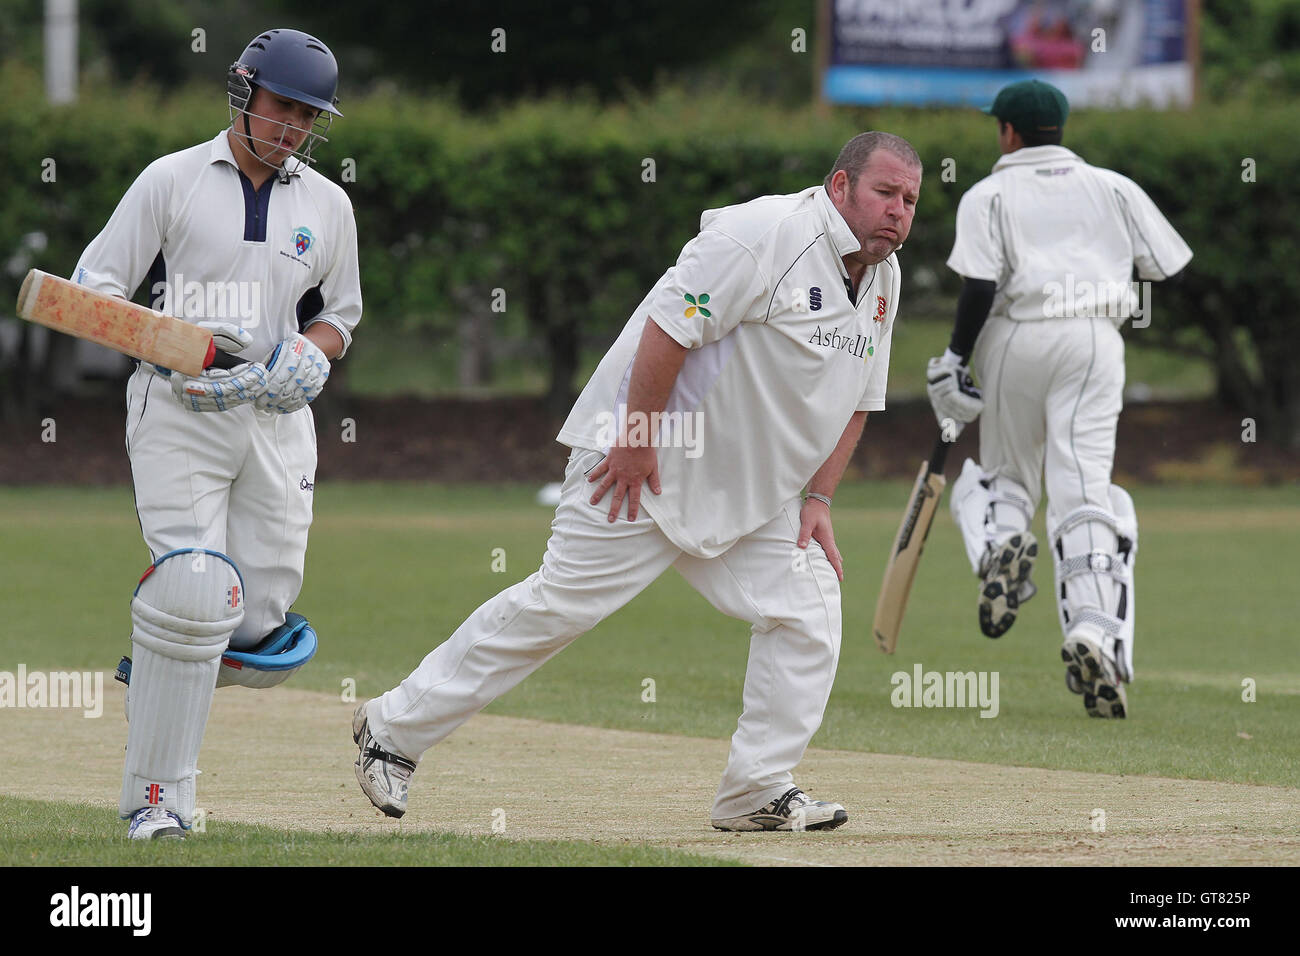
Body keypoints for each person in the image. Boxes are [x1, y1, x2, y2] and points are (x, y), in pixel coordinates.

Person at [352, 131, 921, 832]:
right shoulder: (762, 234)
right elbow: (670, 326)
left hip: (749, 492)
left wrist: (821, 498)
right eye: (885, 192)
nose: (898, 211)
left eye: (911, 200)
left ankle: (755, 791)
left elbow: (859, 398)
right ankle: (391, 728)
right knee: (559, 607)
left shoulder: (884, 282)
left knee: (808, 608)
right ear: (840, 187)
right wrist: (637, 439)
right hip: (642, 461)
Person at [73, 28, 362, 839]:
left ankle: (165, 651)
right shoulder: (171, 180)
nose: (293, 128)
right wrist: (176, 352)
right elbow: (95, 293)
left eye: (309, 116)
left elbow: (341, 314)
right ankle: (157, 803)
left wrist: (312, 353)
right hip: (179, 412)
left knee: (256, 625)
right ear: (243, 92)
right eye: (283, 108)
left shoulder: (328, 204)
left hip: (277, 421)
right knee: (195, 589)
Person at [926, 79, 1191, 719]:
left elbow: (979, 288)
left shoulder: (988, 194)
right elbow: (1164, 264)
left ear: (1008, 132)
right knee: (1083, 490)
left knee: (1005, 475)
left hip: (1016, 339)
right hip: (1094, 340)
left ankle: (1000, 544)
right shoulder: (1114, 186)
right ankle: (1093, 631)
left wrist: (957, 359)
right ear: (1060, 129)